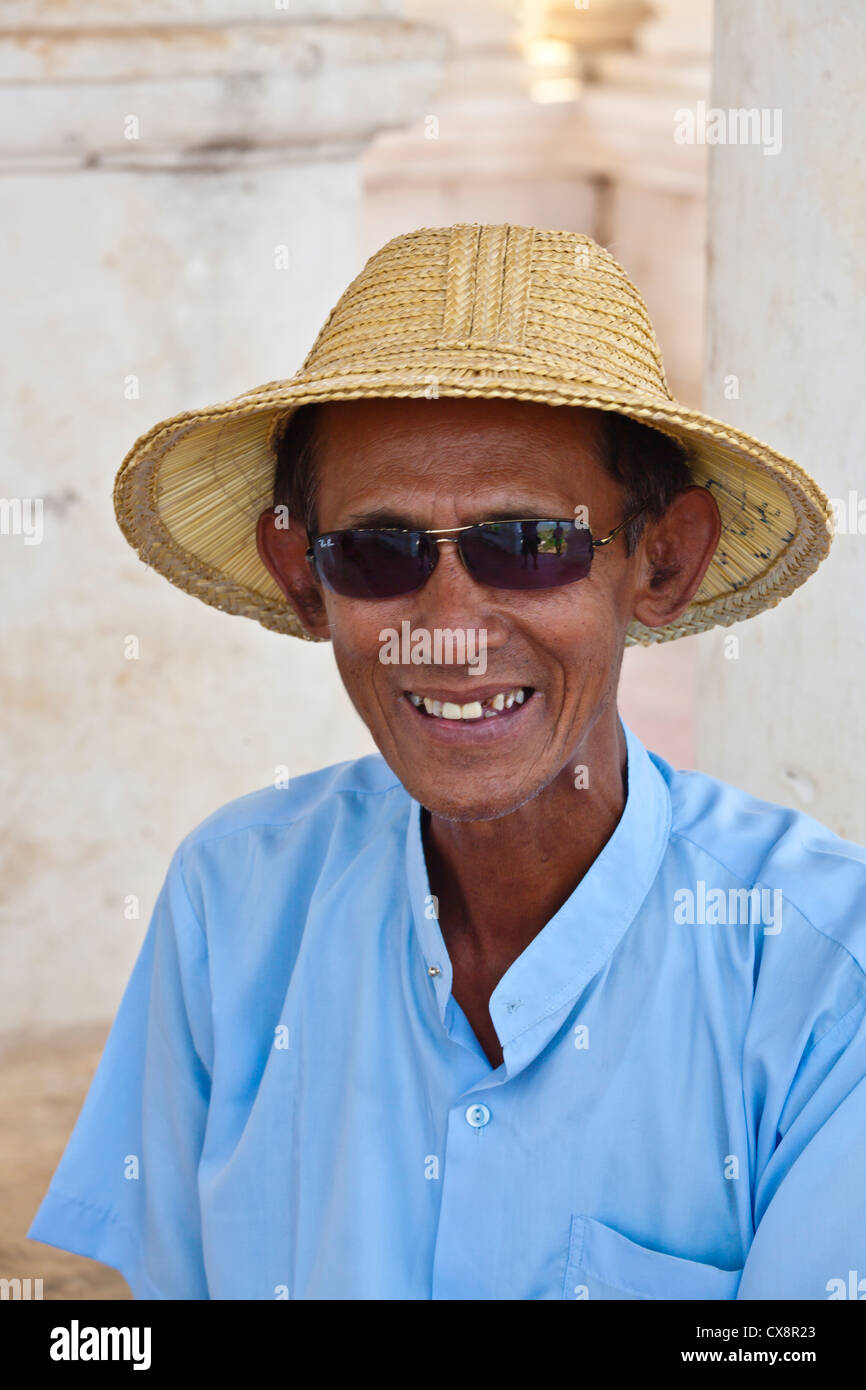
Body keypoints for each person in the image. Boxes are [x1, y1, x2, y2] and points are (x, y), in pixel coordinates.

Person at [28, 223, 866, 1300]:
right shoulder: (229, 904)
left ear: (662, 561)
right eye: (376, 552)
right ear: (302, 577)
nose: (448, 629)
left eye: (528, 545)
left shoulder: (819, 979)